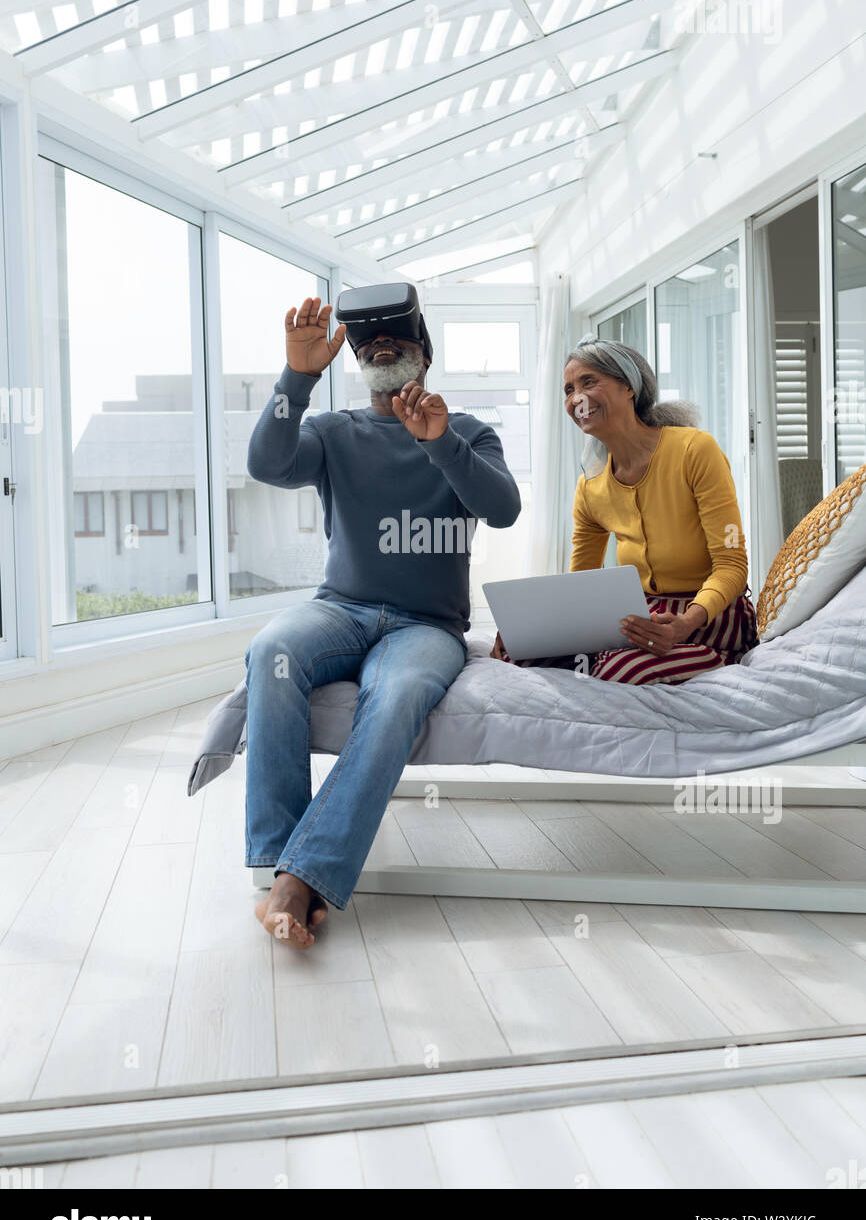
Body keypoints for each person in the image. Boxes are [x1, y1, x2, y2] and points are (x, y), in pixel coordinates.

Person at [245, 289, 521, 948]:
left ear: (425, 356)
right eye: (367, 345)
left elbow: (503, 508)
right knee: (271, 653)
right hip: (339, 611)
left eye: (395, 340)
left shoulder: (469, 432)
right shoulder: (334, 431)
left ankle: (299, 878)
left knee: (395, 695)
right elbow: (266, 463)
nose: (379, 348)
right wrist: (298, 375)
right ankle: (280, 861)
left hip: (426, 628)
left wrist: (441, 442)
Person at [491, 335, 757, 683]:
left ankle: (717, 658)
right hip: (642, 614)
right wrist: (530, 632)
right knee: (516, 652)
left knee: (618, 669)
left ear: (628, 387)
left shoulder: (695, 450)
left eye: (589, 382)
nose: (576, 398)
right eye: (568, 389)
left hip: (711, 616)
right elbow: (581, 583)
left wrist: (686, 623)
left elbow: (732, 564)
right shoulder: (590, 485)